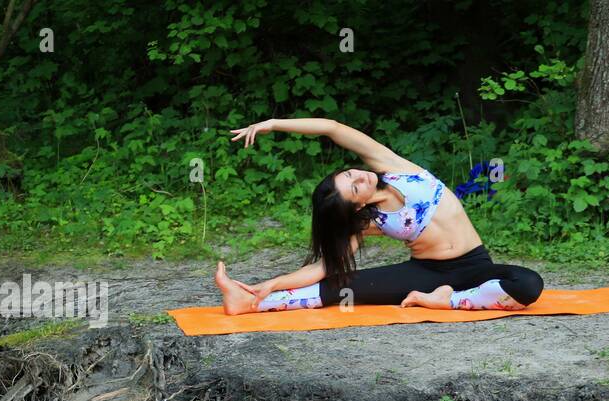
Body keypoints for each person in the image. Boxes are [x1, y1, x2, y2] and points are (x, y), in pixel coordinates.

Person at [214, 117, 543, 315]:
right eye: (355, 188)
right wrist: (270, 283)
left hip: (476, 266)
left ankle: (448, 301)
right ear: (356, 206)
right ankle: (250, 303)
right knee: (342, 288)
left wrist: (273, 124)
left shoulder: (394, 167)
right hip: (426, 273)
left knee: (528, 284)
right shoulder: (367, 221)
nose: (361, 177)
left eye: (351, 174)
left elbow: (332, 128)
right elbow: (326, 266)